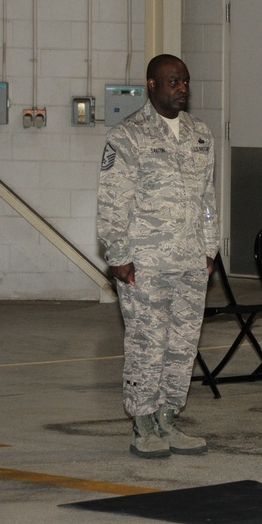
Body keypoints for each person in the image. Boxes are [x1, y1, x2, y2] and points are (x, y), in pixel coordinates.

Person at [97, 54, 219, 459]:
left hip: (191, 261)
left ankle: (169, 417)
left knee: (182, 346)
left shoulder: (200, 134)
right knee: (147, 344)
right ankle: (143, 422)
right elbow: (113, 201)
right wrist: (118, 255)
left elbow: (207, 199)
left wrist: (210, 248)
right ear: (151, 85)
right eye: (173, 82)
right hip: (145, 264)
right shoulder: (128, 135)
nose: (182, 88)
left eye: (185, 81)